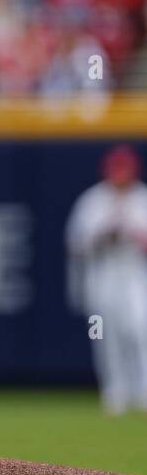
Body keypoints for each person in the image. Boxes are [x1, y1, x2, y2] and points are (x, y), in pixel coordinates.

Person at [66, 144, 147, 415]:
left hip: (134, 271)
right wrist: (104, 233)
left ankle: (143, 391)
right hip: (103, 270)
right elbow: (76, 244)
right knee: (106, 335)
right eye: (116, 170)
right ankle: (115, 392)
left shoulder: (142, 198)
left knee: (140, 329)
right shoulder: (94, 200)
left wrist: (134, 235)